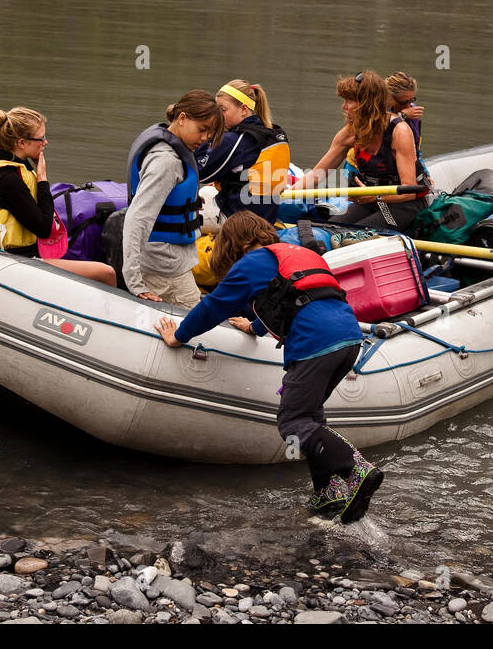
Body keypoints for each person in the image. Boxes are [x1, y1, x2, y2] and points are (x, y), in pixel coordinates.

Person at [153, 211, 383, 522]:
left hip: (316, 342)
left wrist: (178, 336)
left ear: (230, 243)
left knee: (293, 422)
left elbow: (211, 306)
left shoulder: (250, 262)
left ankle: (356, 470)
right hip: (349, 337)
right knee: (312, 416)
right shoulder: (299, 252)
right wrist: (256, 328)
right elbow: (297, 298)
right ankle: (327, 493)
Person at [0, 108, 117, 285]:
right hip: (15, 260)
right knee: (106, 272)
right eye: (41, 138)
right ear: (21, 143)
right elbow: (44, 229)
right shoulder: (10, 179)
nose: (45, 142)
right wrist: (43, 180)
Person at [288, 70, 427, 232]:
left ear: (367, 104)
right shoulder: (349, 132)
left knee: (353, 234)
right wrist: (281, 197)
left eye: (349, 101)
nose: (343, 106)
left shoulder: (399, 131)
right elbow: (316, 175)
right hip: (370, 201)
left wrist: (375, 196)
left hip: (405, 205)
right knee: (326, 230)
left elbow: (409, 191)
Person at [123, 90, 222, 307]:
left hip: (169, 263)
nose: (205, 138)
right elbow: (137, 218)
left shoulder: (168, 145)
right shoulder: (166, 162)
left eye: (210, 133)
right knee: (194, 326)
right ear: (183, 118)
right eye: (202, 130)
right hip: (165, 270)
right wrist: (135, 282)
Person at [196, 79, 290, 224]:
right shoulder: (272, 135)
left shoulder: (236, 140)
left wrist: (207, 135)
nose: (217, 116)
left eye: (222, 110)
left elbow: (199, 172)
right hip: (265, 219)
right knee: (207, 192)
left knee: (175, 214)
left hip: (237, 222)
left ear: (244, 109)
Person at [386, 70, 433, 188]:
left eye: (411, 100)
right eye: (403, 102)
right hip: (359, 167)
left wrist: (424, 173)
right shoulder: (377, 112)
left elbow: (415, 151)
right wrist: (402, 116)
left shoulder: (412, 112)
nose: (408, 106)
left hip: (396, 169)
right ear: (389, 98)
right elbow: (381, 134)